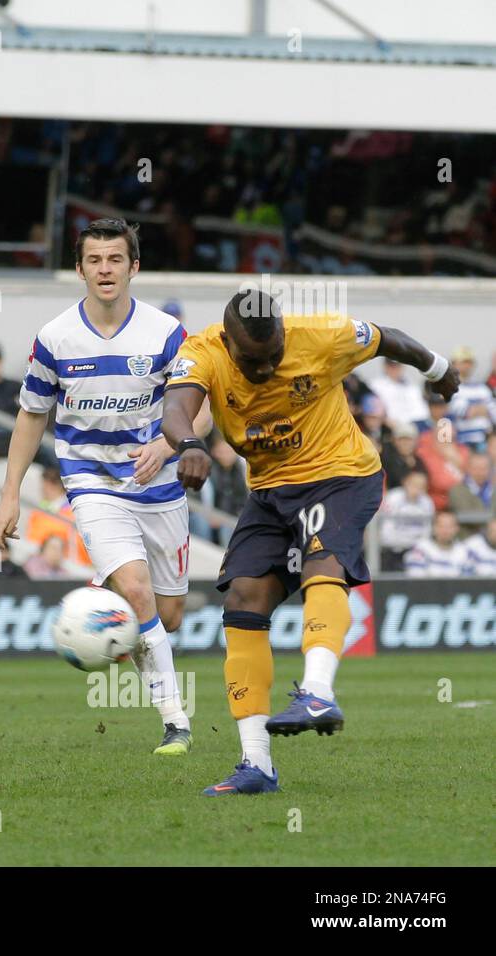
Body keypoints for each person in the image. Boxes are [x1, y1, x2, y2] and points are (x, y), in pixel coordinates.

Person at [161, 288, 459, 796]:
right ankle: (257, 765)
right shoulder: (202, 351)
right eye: (254, 361)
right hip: (271, 490)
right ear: (229, 344)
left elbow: (391, 340)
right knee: (242, 598)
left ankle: (318, 692)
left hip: (341, 475)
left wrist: (437, 367)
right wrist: (189, 444)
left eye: (275, 355)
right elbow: (175, 408)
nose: (267, 367)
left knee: (323, 563)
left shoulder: (320, 335)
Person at [0, 218, 200, 759]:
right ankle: (175, 720)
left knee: (166, 615)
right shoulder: (56, 337)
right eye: (94, 260)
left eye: (115, 260)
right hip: (91, 483)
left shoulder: (165, 332)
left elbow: (194, 400)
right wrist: (11, 491)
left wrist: (169, 444)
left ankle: (106, 609)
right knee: (137, 594)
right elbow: (31, 415)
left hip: (159, 485)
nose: (104, 270)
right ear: (80, 268)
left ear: (134, 267)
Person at [379, 469, 434, 572]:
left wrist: (418, 547)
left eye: (421, 485)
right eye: (414, 484)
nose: (417, 488)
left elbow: (427, 530)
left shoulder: (427, 502)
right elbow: (386, 529)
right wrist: (400, 545)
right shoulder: (393, 498)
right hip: (393, 549)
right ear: (405, 482)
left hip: (417, 550)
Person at [405, 510, 467, 577]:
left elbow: (469, 580)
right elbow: (416, 578)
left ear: (457, 528)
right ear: (434, 527)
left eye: (449, 526)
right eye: (441, 526)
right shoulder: (420, 549)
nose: (445, 530)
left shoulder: (464, 551)